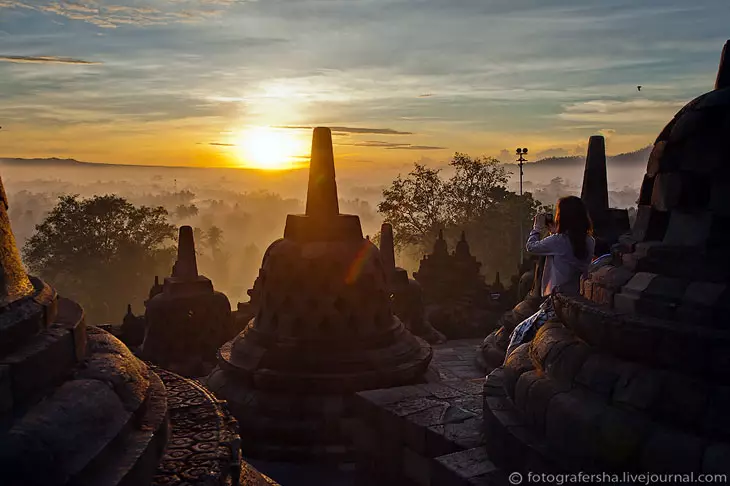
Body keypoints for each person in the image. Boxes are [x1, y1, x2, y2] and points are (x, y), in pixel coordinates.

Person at [504, 196, 595, 361]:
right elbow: (568, 248)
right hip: (576, 300)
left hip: (557, 305)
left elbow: (531, 247)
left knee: (518, 333)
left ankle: (504, 375)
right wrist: (554, 231)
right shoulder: (590, 241)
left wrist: (537, 228)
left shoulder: (558, 241)